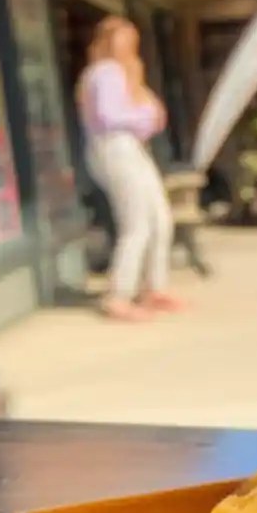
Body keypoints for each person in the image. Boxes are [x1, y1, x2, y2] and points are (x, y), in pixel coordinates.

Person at [77, 16, 180, 322]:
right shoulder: (106, 72)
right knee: (137, 222)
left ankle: (153, 286)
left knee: (159, 217)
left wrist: (144, 112)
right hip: (117, 147)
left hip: (127, 148)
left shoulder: (122, 74)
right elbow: (110, 117)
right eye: (119, 40)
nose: (125, 47)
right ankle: (119, 294)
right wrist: (145, 117)